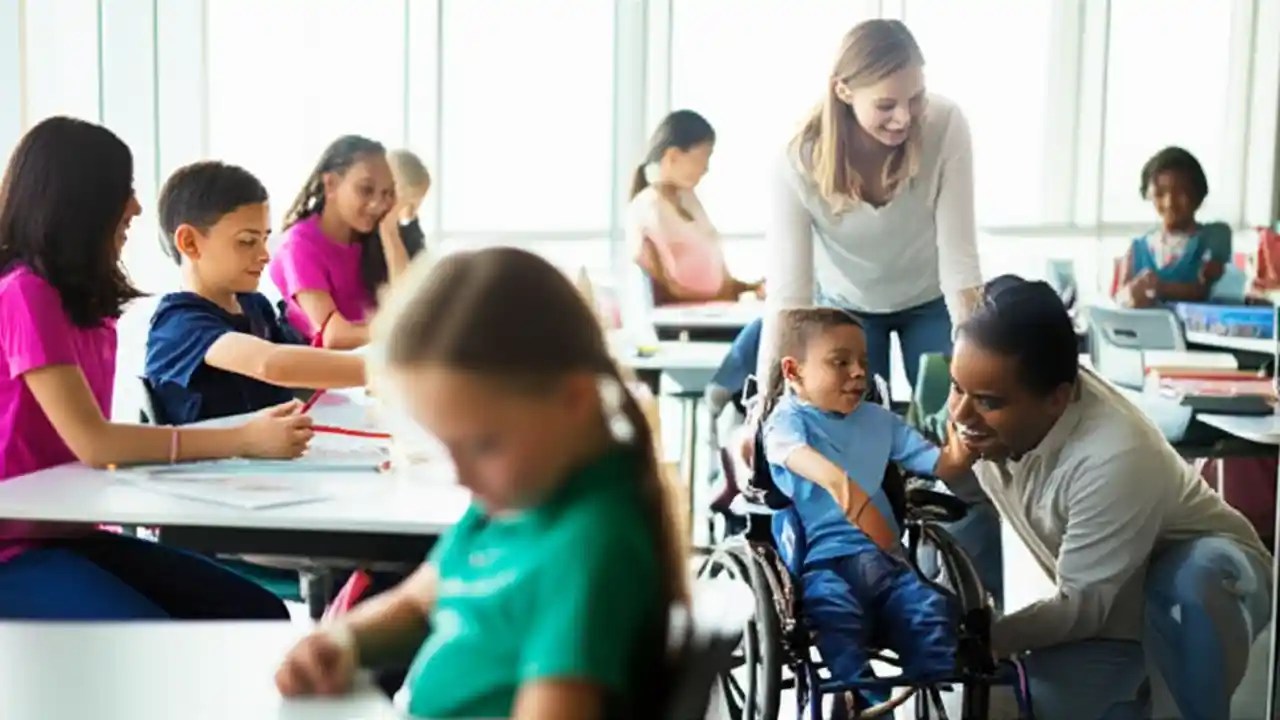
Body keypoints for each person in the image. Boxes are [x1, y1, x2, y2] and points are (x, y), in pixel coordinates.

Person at [275, 247, 685, 719]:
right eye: (446, 448)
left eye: (484, 445)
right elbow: (417, 603)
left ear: (573, 400)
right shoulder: (513, 500)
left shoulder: (590, 547)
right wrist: (342, 641)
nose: (463, 477)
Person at [0, 117, 310, 620]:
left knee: (256, 612)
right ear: (80, 201)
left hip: (69, 531)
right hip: (14, 546)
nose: (137, 207)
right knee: (154, 632)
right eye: (124, 189)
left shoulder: (87, 305)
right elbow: (95, 443)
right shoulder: (25, 293)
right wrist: (242, 439)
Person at [947, 275, 1271, 720]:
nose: (961, 415)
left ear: (1057, 399)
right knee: (1021, 701)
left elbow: (1082, 606)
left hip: (1207, 580)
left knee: (1193, 582)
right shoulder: (984, 425)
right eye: (956, 388)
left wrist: (984, 637)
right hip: (1115, 608)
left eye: (986, 401)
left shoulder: (1113, 454)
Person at [758, 18, 983, 392]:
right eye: (885, 105)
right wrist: (766, 397)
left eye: (915, 99)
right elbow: (789, 297)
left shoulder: (945, 125)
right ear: (843, 91)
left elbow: (961, 264)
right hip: (848, 306)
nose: (904, 118)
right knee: (852, 422)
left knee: (951, 406)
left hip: (931, 299)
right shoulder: (797, 159)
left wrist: (974, 369)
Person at [761, 308, 973, 684]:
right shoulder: (787, 422)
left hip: (886, 562)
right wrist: (845, 489)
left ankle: (929, 677)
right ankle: (860, 695)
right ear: (794, 372)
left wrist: (964, 435)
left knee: (931, 609)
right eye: (840, 362)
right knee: (833, 612)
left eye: (863, 361)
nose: (858, 372)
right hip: (821, 563)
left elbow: (943, 465)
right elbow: (800, 459)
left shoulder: (881, 421)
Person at [146, 160, 367, 425]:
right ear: (190, 242)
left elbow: (302, 365)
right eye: (247, 241)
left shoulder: (255, 306)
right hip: (210, 464)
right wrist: (389, 370)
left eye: (264, 239)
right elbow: (272, 364)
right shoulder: (179, 324)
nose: (264, 255)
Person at [270, 135, 409, 349]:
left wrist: (390, 231)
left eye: (387, 193)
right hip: (323, 374)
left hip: (372, 368)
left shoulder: (372, 241)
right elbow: (333, 337)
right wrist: (402, 329)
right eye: (366, 190)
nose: (378, 204)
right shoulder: (299, 244)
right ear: (331, 184)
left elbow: (409, 303)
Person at [626, 110, 762, 310]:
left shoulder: (689, 200)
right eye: (703, 157)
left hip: (712, 313)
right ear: (673, 156)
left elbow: (716, 275)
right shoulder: (648, 208)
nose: (706, 168)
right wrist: (726, 295)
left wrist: (751, 287)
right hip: (683, 322)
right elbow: (664, 292)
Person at [1114, 146, 1231, 308]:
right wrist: (1131, 295)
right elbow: (1120, 295)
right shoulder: (1137, 248)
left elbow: (1202, 289)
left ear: (1198, 194)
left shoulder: (1211, 238)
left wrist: (1159, 287)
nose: (1170, 203)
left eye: (1181, 193)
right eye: (1160, 194)